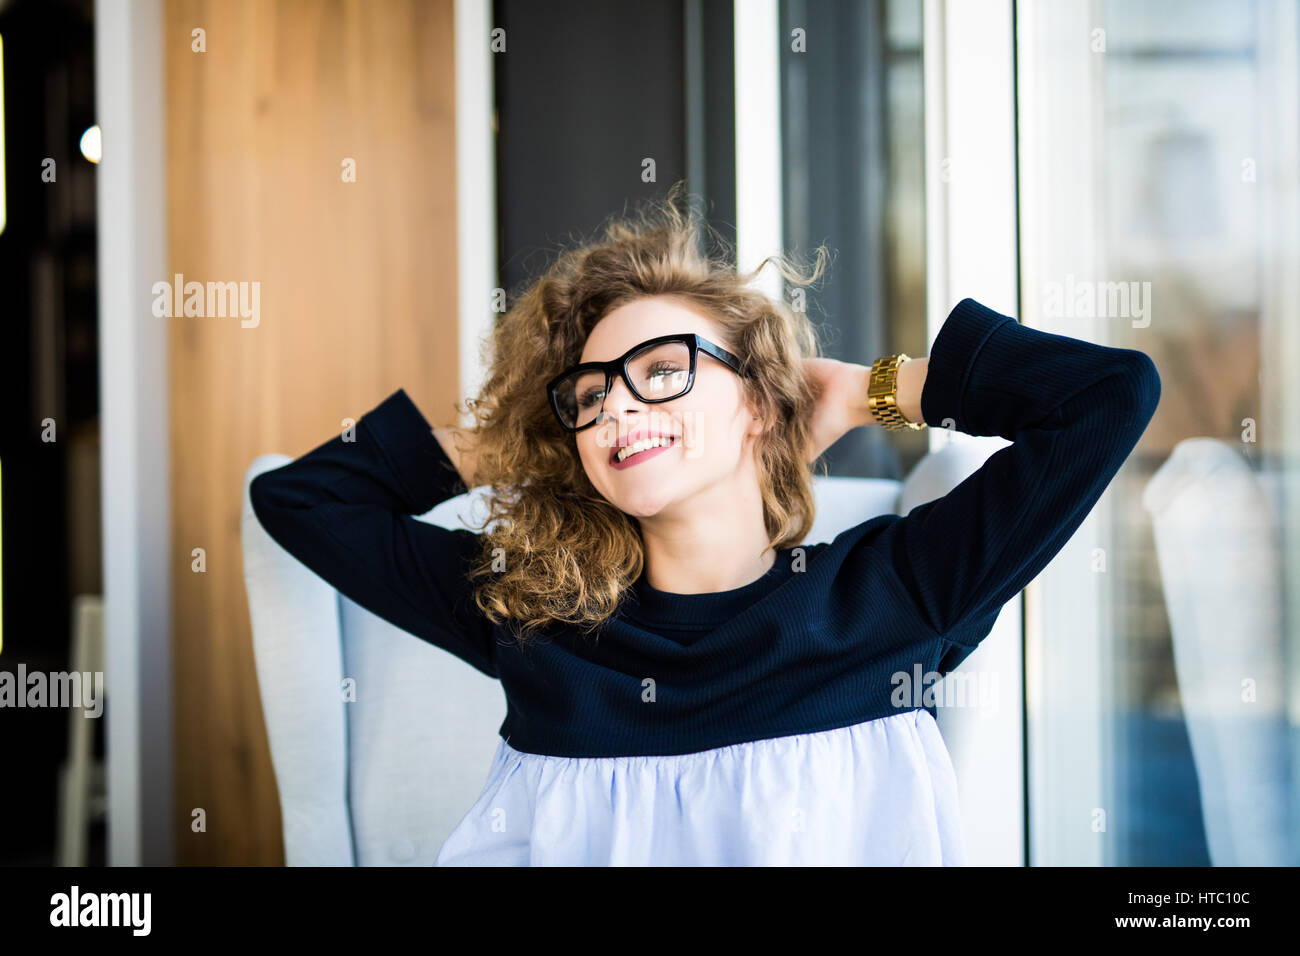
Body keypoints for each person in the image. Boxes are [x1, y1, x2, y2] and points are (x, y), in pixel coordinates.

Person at [250, 185, 1161, 865]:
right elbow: (298, 501)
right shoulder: (535, 619)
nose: (619, 407)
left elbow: (1108, 396)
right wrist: (524, 440)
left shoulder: (900, 595)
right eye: (593, 394)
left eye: (663, 368)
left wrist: (871, 387)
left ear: (761, 405)